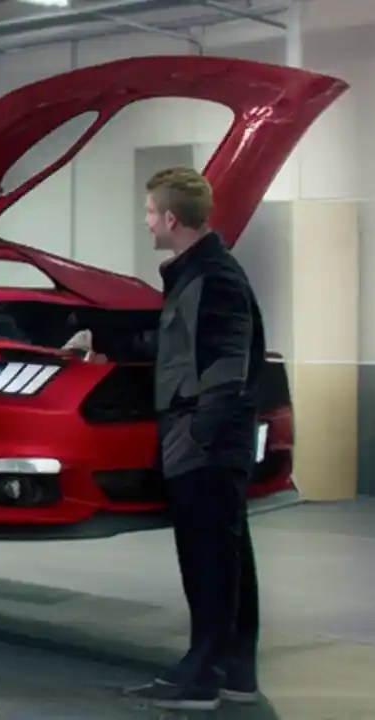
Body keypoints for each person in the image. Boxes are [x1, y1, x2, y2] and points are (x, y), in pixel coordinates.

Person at [113, 167, 267, 710]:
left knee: (208, 556)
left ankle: (201, 673)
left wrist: (199, 435)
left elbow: (227, 363)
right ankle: (236, 672)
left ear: (171, 218)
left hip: (206, 439)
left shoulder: (214, 278)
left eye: (150, 212)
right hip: (207, 435)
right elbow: (177, 342)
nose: (147, 221)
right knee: (226, 552)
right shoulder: (197, 273)